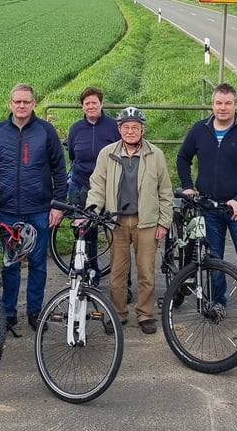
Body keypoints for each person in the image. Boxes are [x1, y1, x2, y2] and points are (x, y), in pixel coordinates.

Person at [0, 83, 67, 335]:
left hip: (39, 209)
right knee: (10, 264)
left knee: (38, 262)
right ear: (10, 103)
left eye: (26, 102)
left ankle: (35, 312)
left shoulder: (46, 131)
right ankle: (8, 313)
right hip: (8, 211)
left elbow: (60, 170)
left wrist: (57, 205)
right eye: (17, 101)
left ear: (33, 103)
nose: (21, 106)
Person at [85, 107, 173, 335]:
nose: (131, 131)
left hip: (147, 222)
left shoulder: (156, 155)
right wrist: (92, 210)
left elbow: (165, 191)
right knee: (117, 273)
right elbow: (98, 185)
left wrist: (164, 222)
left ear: (142, 129)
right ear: (119, 129)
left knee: (146, 271)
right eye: (126, 127)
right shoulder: (107, 154)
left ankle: (145, 314)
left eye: (135, 127)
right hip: (117, 222)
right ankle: (118, 314)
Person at [176, 83, 237, 301]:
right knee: (214, 261)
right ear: (213, 105)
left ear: (236, 105)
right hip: (208, 207)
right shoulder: (199, 130)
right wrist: (188, 185)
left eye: (227, 103)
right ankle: (218, 305)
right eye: (218, 103)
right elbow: (182, 158)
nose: (222, 108)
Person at [65, 86, 119, 287]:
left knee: (116, 234)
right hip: (81, 184)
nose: (90, 106)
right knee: (85, 233)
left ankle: (123, 282)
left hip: (108, 186)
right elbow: (72, 154)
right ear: (82, 107)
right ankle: (90, 273)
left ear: (101, 104)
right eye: (86, 103)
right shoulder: (76, 128)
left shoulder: (113, 126)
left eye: (94, 102)